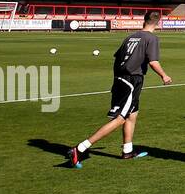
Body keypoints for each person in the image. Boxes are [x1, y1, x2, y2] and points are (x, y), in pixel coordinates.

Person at [67, 11, 172, 168]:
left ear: (144, 20)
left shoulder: (130, 37)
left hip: (122, 78)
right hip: (131, 80)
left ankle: (127, 151)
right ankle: (80, 148)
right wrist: (164, 76)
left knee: (132, 114)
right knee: (120, 118)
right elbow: (153, 62)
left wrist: (118, 77)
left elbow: (117, 58)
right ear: (158, 23)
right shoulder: (152, 38)